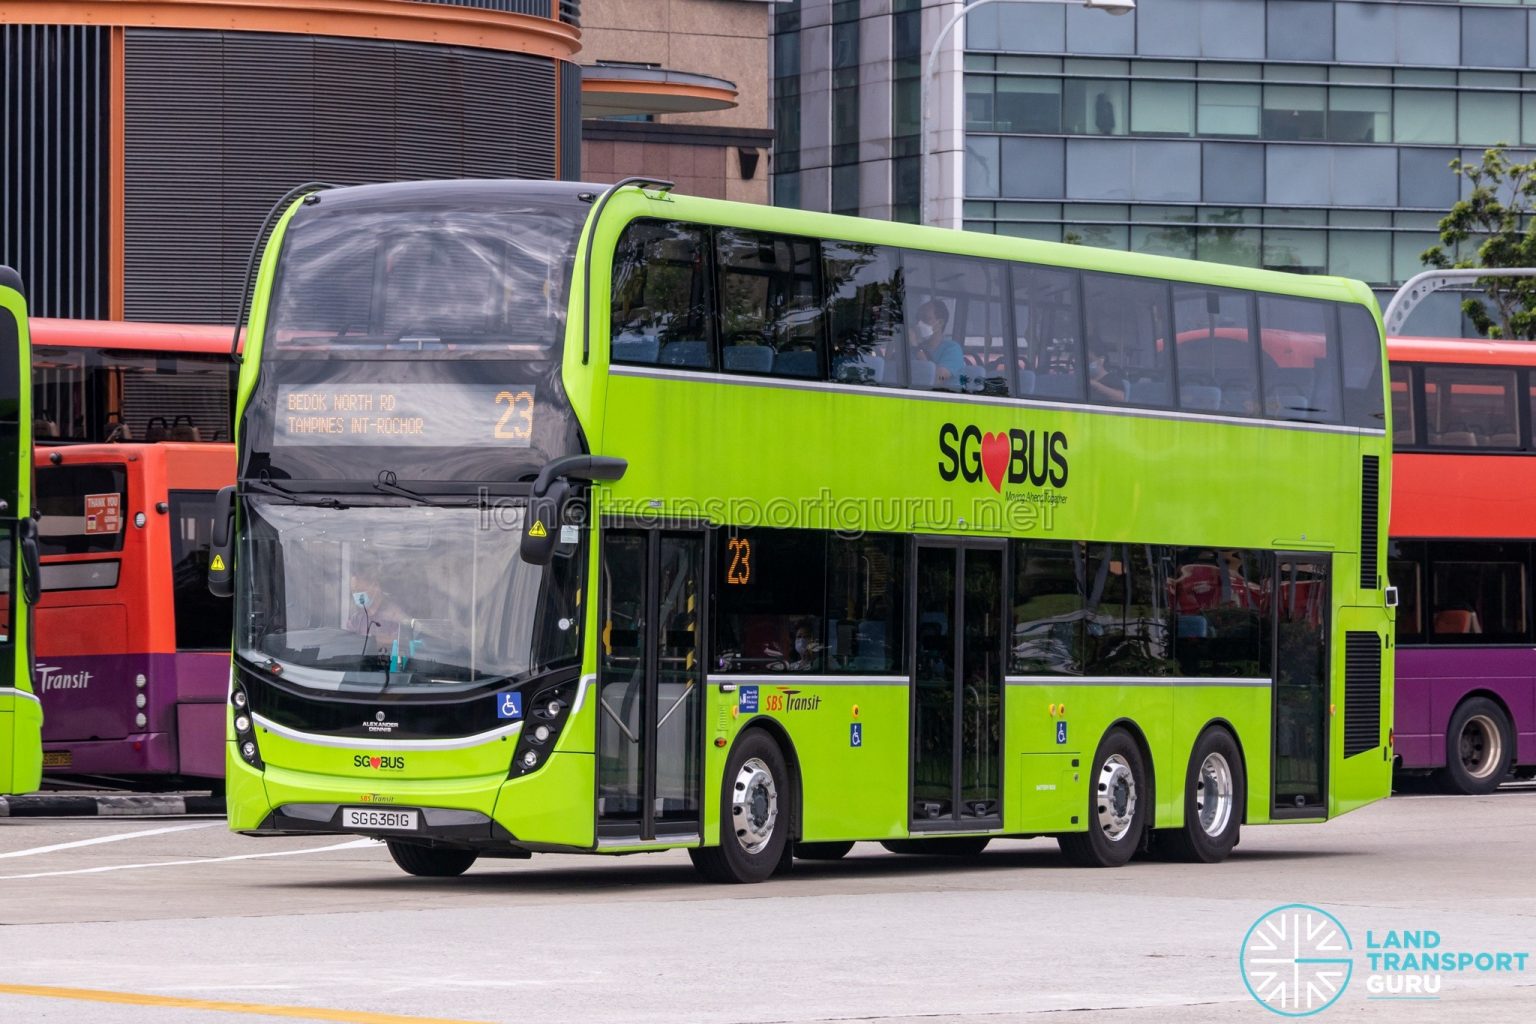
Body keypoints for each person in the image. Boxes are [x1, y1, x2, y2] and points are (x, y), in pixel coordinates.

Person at [909, 299, 964, 389]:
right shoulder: (914, 347)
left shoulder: (953, 349)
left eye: (925, 319)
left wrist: (916, 348)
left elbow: (938, 378)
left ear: (940, 323)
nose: (919, 323)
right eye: (918, 318)